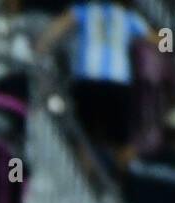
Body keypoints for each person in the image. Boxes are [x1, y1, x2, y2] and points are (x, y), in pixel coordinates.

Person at [35, 0, 155, 164]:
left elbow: (57, 28)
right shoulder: (128, 17)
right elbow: (155, 39)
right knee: (122, 140)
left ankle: (88, 171)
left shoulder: (84, 11)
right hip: (118, 81)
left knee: (86, 136)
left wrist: (39, 48)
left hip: (88, 78)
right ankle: (126, 181)